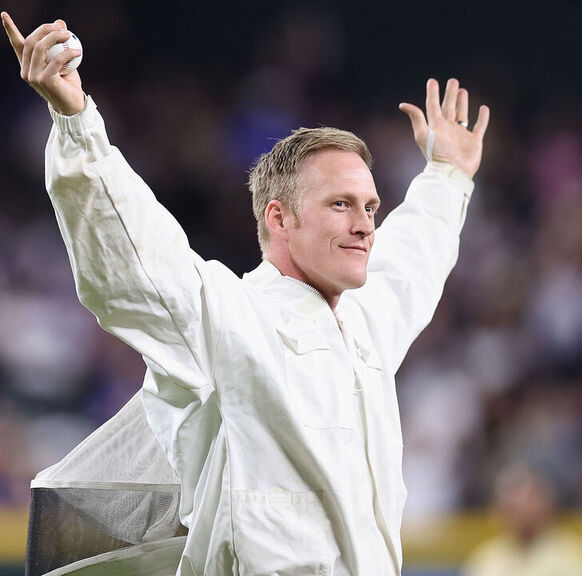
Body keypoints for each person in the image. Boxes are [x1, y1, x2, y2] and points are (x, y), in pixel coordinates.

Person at [3, 12, 490, 576]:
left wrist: (447, 175)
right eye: (340, 204)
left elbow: (414, 260)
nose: (365, 225)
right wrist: (76, 121)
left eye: (371, 207)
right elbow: (135, 259)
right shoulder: (231, 315)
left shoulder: (364, 321)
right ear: (279, 219)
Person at [463, 465, 582, 576]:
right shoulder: (486, 558)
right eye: (509, 505)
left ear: (546, 504)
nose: (514, 512)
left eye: (521, 504)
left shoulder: (575, 559)